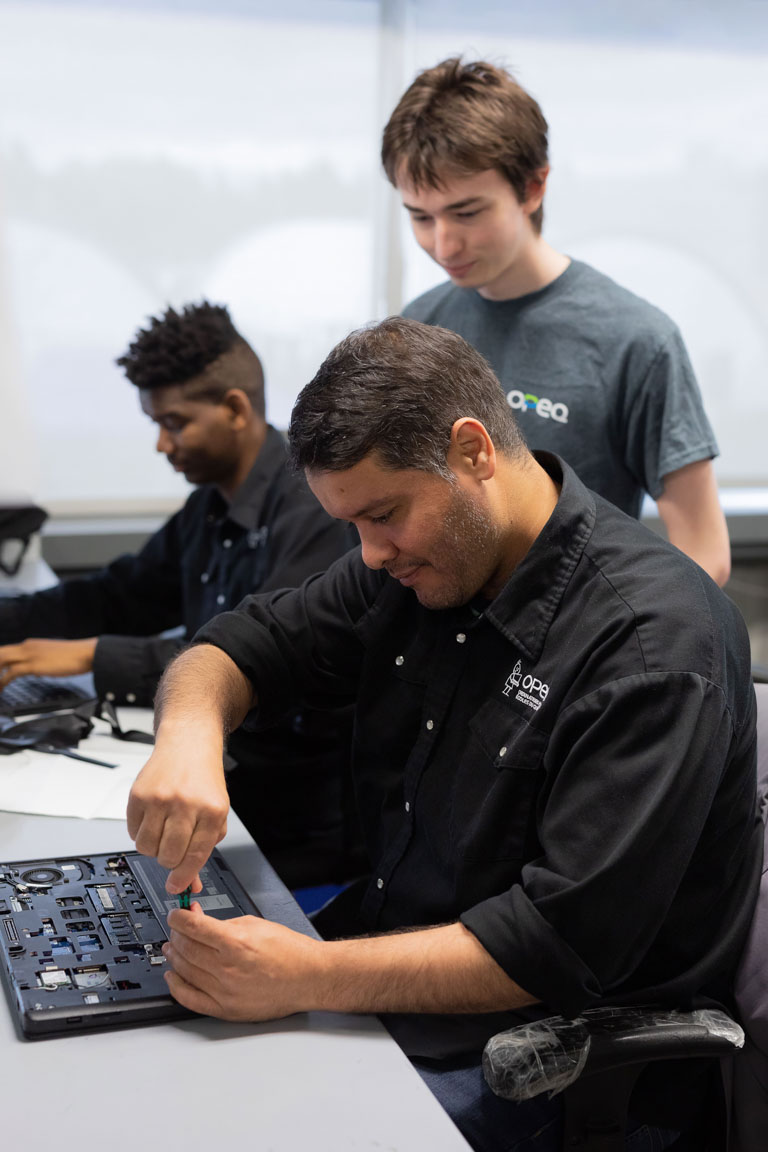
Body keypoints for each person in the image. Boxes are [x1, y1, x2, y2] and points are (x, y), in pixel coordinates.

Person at [126, 317, 760, 1152]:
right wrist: (188, 736)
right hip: (390, 973)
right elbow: (245, 644)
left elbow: (549, 946)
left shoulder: (650, 649)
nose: (370, 554)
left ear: (472, 451)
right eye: (352, 525)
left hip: (542, 1055)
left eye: (384, 515)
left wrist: (304, 975)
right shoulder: (423, 562)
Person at [0, 301, 359, 887]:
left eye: (174, 423)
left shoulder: (313, 509)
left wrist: (91, 655)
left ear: (235, 409)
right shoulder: (208, 508)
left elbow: (259, 661)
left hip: (285, 823)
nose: (162, 445)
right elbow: (118, 596)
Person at [381, 57, 731, 587]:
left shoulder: (635, 341)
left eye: (467, 213)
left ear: (533, 187)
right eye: (420, 217)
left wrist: (623, 632)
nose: (444, 244)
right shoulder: (419, 328)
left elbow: (704, 553)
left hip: (582, 628)